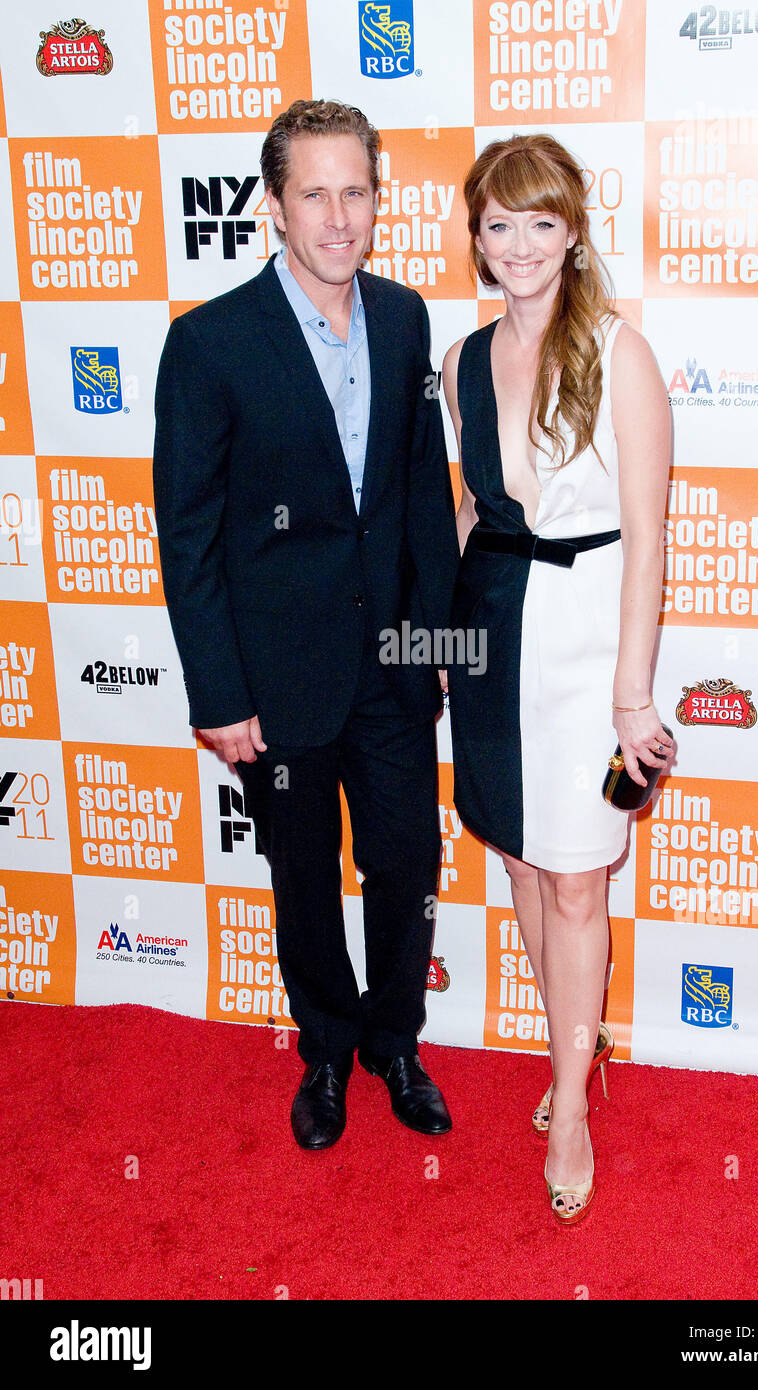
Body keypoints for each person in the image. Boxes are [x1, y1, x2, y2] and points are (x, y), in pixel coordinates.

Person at [153, 99, 459, 1151]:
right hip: (277, 681)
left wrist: (439, 644)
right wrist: (219, 694)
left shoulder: (408, 315)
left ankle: (395, 1041)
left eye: (357, 191)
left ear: (379, 197)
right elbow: (186, 534)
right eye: (316, 193)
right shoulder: (209, 344)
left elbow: (423, 498)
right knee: (302, 876)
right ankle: (324, 1049)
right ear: (274, 205)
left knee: (405, 862)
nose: (340, 217)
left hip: (393, 670)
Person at [442, 134, 672, 1223]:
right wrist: (436, 652)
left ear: (572, 230)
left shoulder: (618, 351)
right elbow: (470, 515)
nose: (519, 244)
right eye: (498, 223)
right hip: (493, 639)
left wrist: (632, 695)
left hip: (587, 650)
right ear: (477, 237)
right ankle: (569, 1051)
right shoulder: (460, 357)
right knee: (526, 873)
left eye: (540, 221)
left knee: (577, 880)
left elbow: (647, 537)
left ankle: (570, 1103)